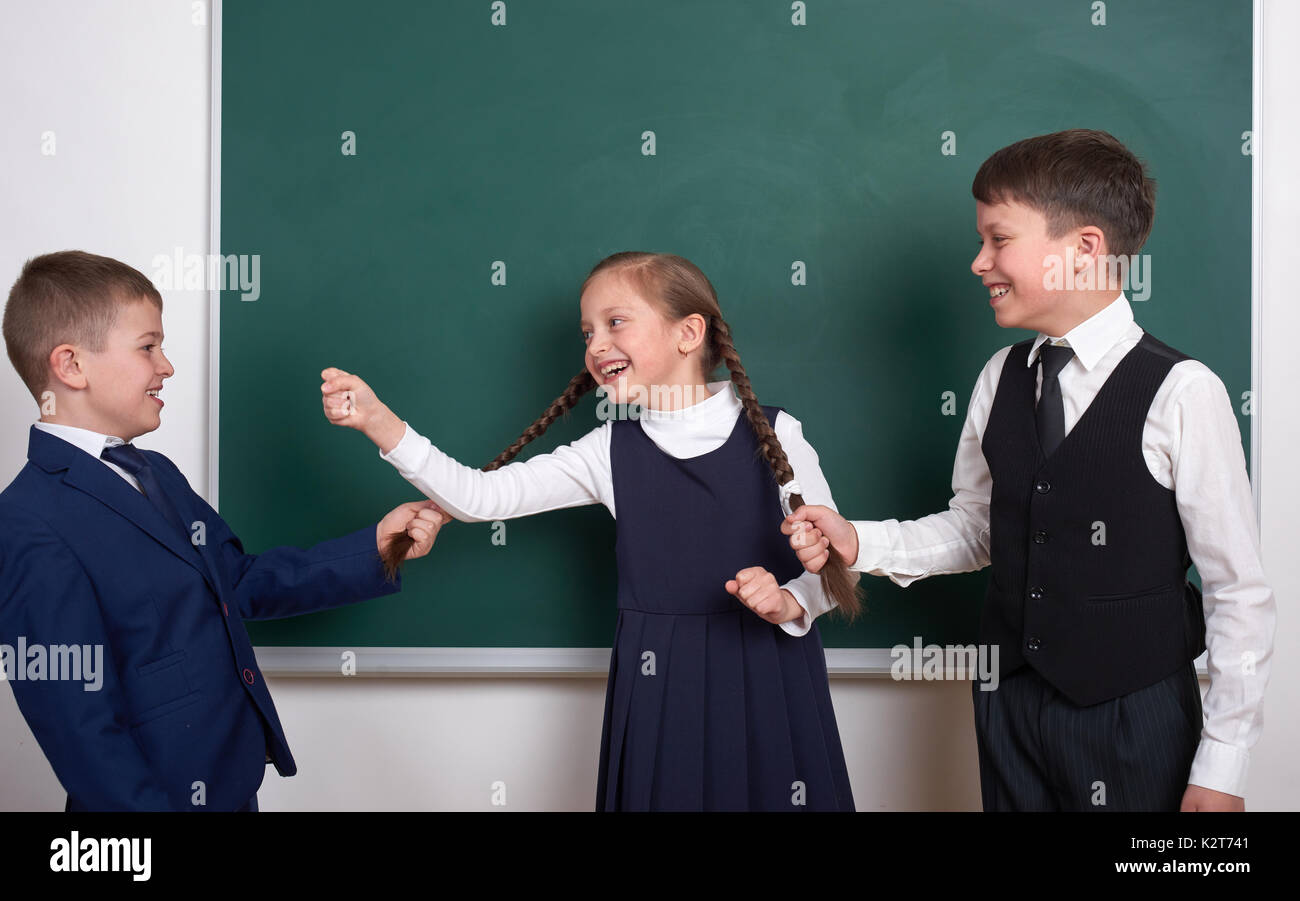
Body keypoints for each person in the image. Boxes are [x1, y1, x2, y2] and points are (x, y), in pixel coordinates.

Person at [785, 130, 1275, 812]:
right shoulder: (1000, 376)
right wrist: (858, 541)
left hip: (1134, 716)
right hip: (1009, 705)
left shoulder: (1183, 391)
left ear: (1084, 249)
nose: (978, 261)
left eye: (998, 239)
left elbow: (1237, 592)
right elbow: (979, 528)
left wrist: (1222, 765)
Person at [320, 251, 859, 810]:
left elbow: (837, 560)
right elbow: (481, 498)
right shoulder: (608, 449)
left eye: (615, 322)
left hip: (767, 675)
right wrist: (378, 421)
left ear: (689, 332)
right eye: (587, 332)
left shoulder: (778, 432)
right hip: (658, 683)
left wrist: (788, 601)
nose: (596, 345)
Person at [0, 250, 447, 811]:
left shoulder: (154, 472)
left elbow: (235, 583)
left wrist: (375, 545)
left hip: (230, 787)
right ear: (70, 366)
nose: (166, 366)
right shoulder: (27, 520)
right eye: (148, 347)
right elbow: (78, 728)